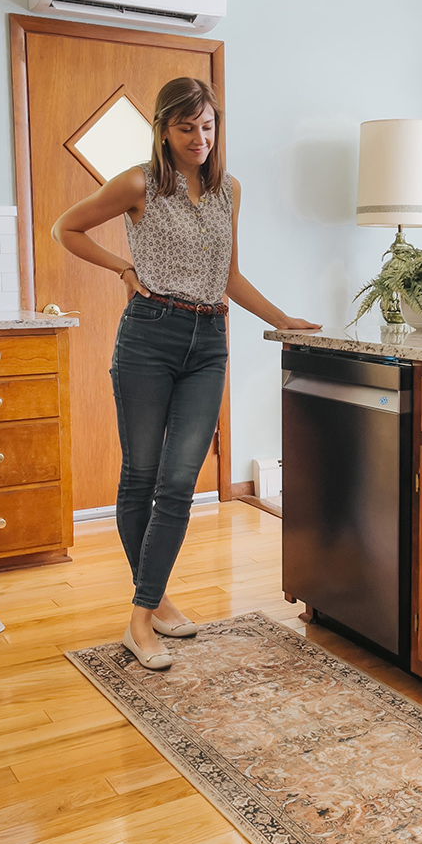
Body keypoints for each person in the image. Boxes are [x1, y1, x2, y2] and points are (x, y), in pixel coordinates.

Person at [52, 77, 319, 670]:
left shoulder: (230, 192)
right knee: (141, 477)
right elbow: (64, 229)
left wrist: (283, 319)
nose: (199, 138)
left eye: (207, 125)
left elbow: (228, 274)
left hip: (209, 343)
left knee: (179, 483)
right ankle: (154, 607)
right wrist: (122, 266)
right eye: (185, 127)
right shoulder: (137, 184)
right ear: (163, 131)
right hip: (149, 334)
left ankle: (141, 614)